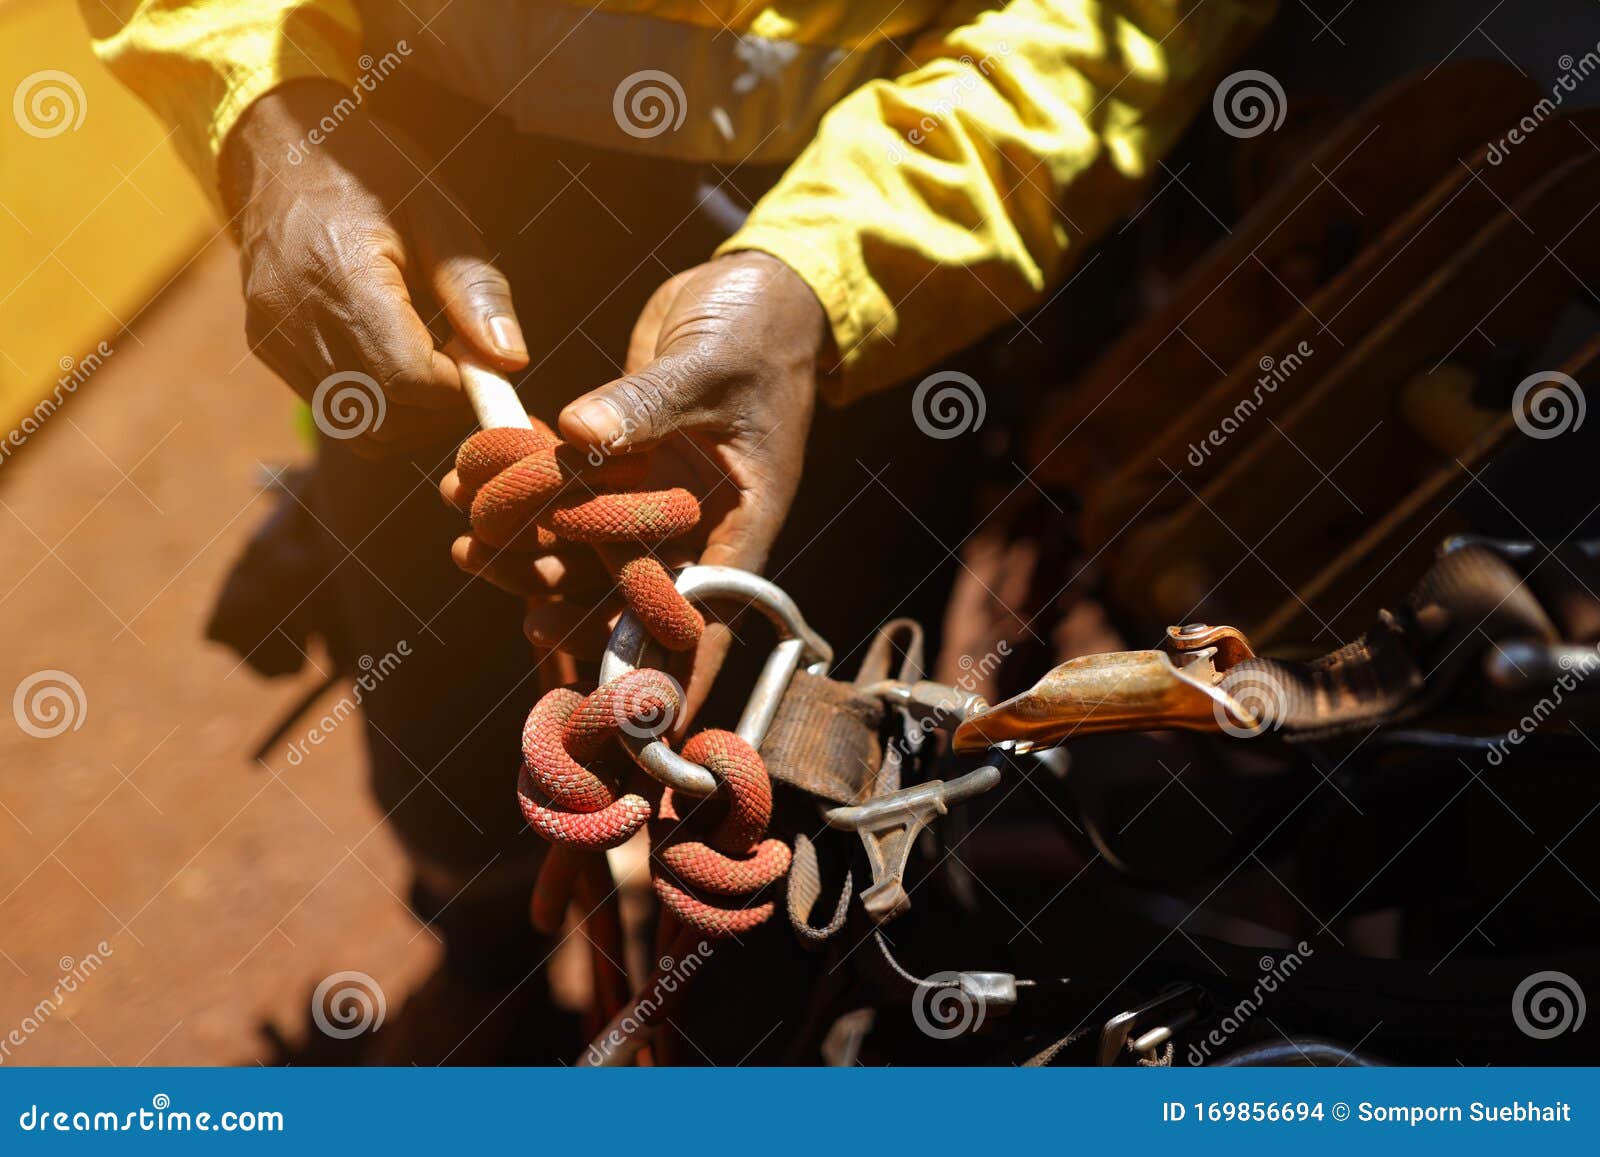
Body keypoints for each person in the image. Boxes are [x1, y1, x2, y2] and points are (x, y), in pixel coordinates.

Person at [85, 0, 1273, 1062]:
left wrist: (824, 275)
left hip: (862, 210)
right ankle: (488, 951)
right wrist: (268, 118)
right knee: (439, 705)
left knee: (787, 750)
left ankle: (740, 1025)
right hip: (407, 159)